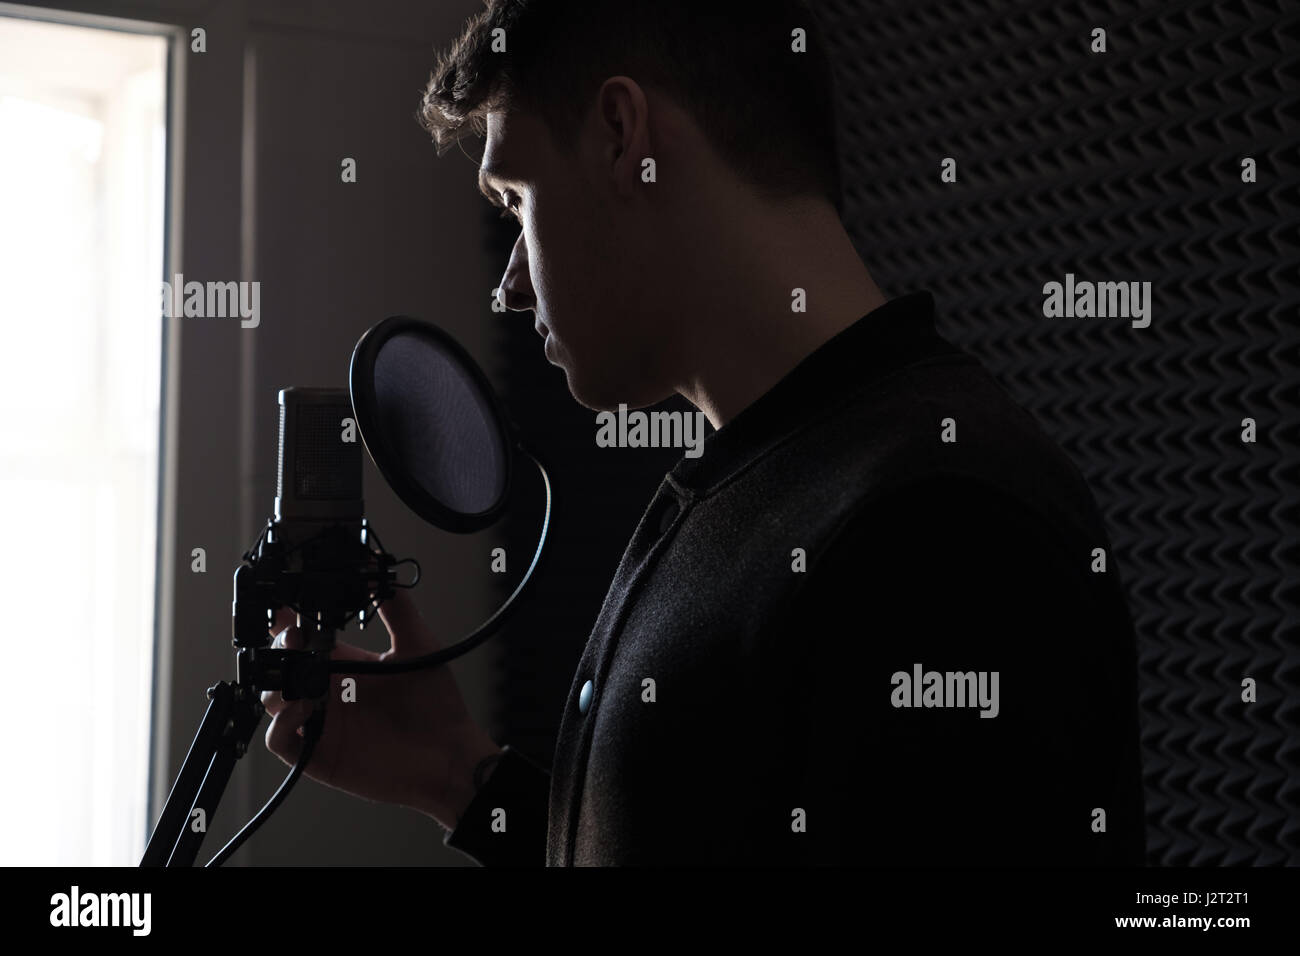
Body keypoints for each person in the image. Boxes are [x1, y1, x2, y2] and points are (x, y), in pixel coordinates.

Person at [262, 0, 1147, 866]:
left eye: (517, 201)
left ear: (621, 136)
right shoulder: (769, 480)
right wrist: (459, 776)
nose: (510, 286)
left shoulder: (940, 527)